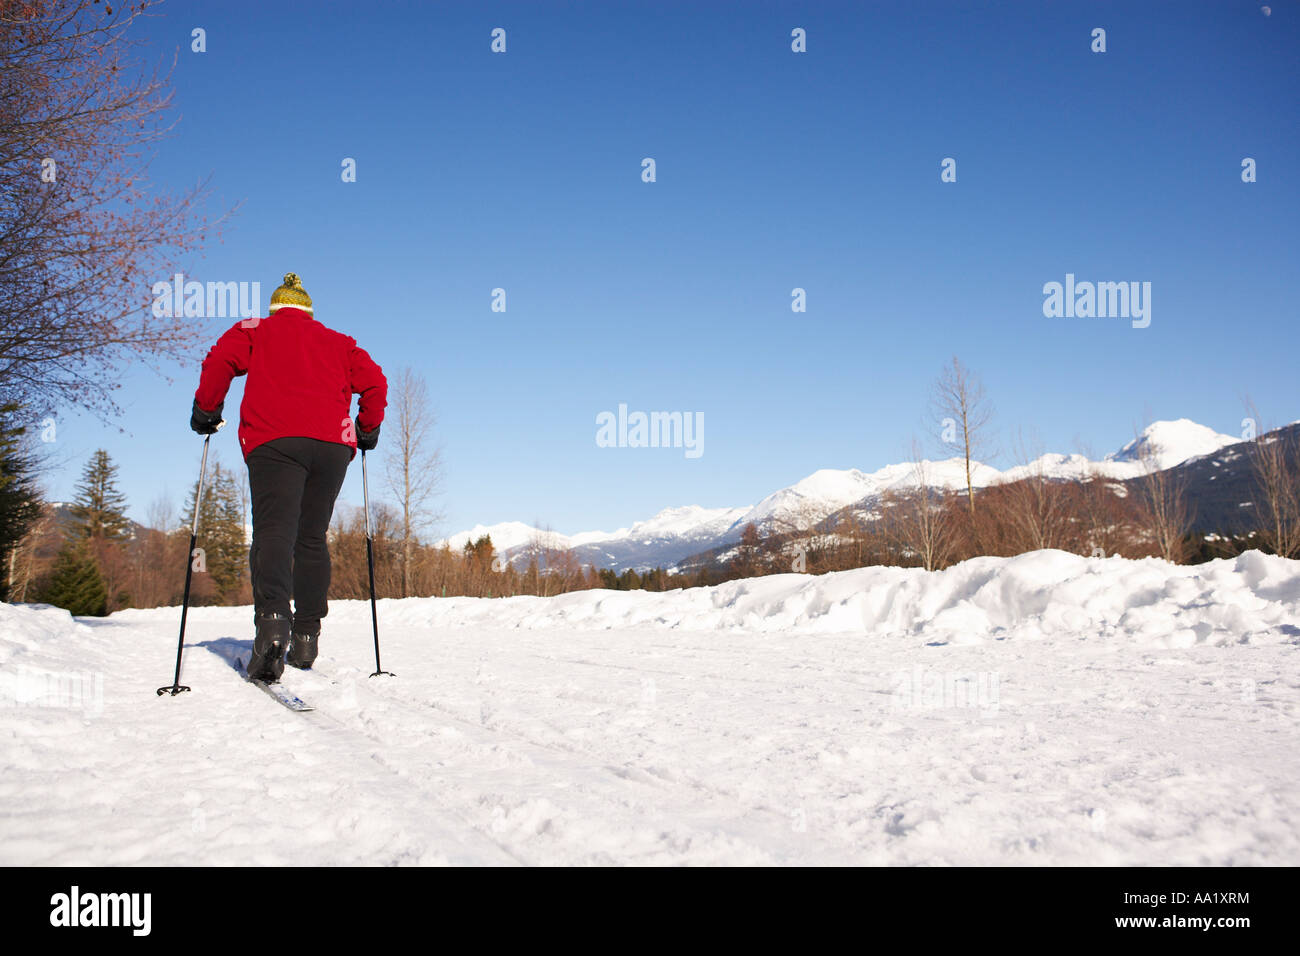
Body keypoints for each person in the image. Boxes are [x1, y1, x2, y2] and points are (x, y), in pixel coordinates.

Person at [190, 272, 387, 681]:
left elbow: (220, 362)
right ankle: (307, 636)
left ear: (275, 308)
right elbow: (375, 384)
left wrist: (206, 410)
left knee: (274, 533)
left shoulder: (254, 329)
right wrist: (368, 427)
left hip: (275, 440)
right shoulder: (340, 342)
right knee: (311, 538)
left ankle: (274, 625)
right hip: (332, 447)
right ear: (308, 312)